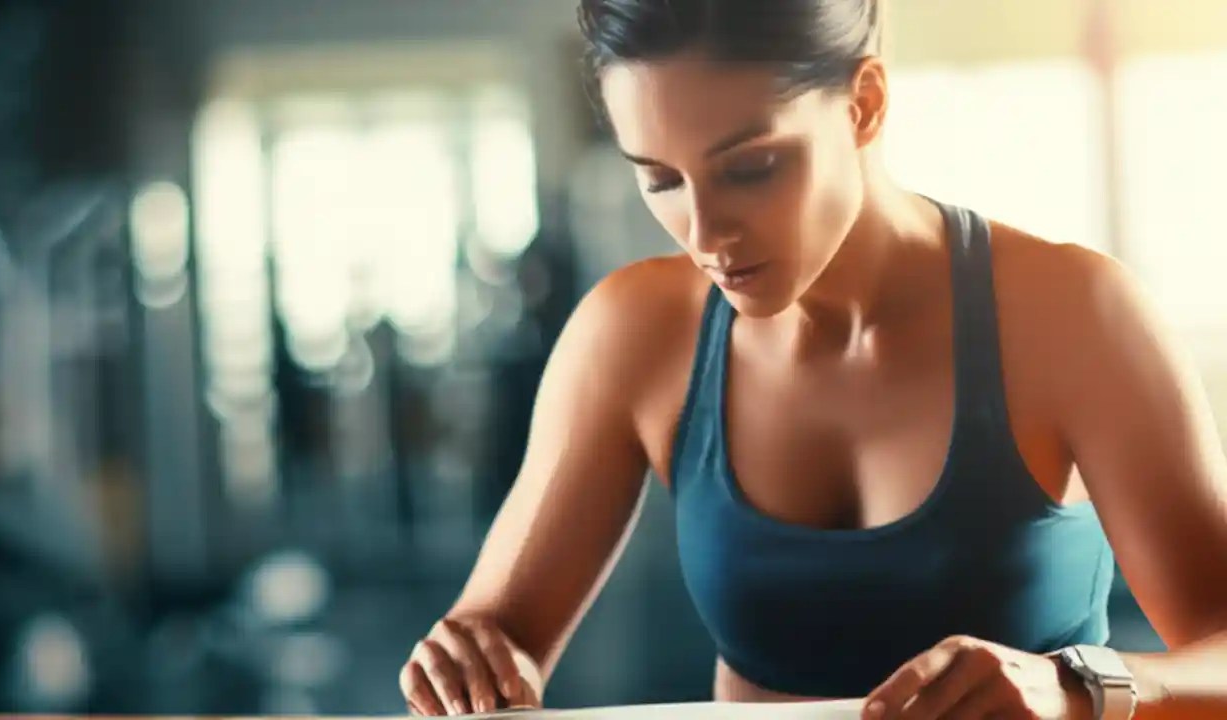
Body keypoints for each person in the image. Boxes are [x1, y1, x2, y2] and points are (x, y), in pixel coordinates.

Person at [398, 1, 1227, 717]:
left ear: (864, 104)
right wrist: (464, 666)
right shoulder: (632, 334)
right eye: (661, 181)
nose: (705, 235)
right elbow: (495, 640)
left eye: (752, 168)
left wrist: (1077, 690)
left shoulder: (1071, 314)